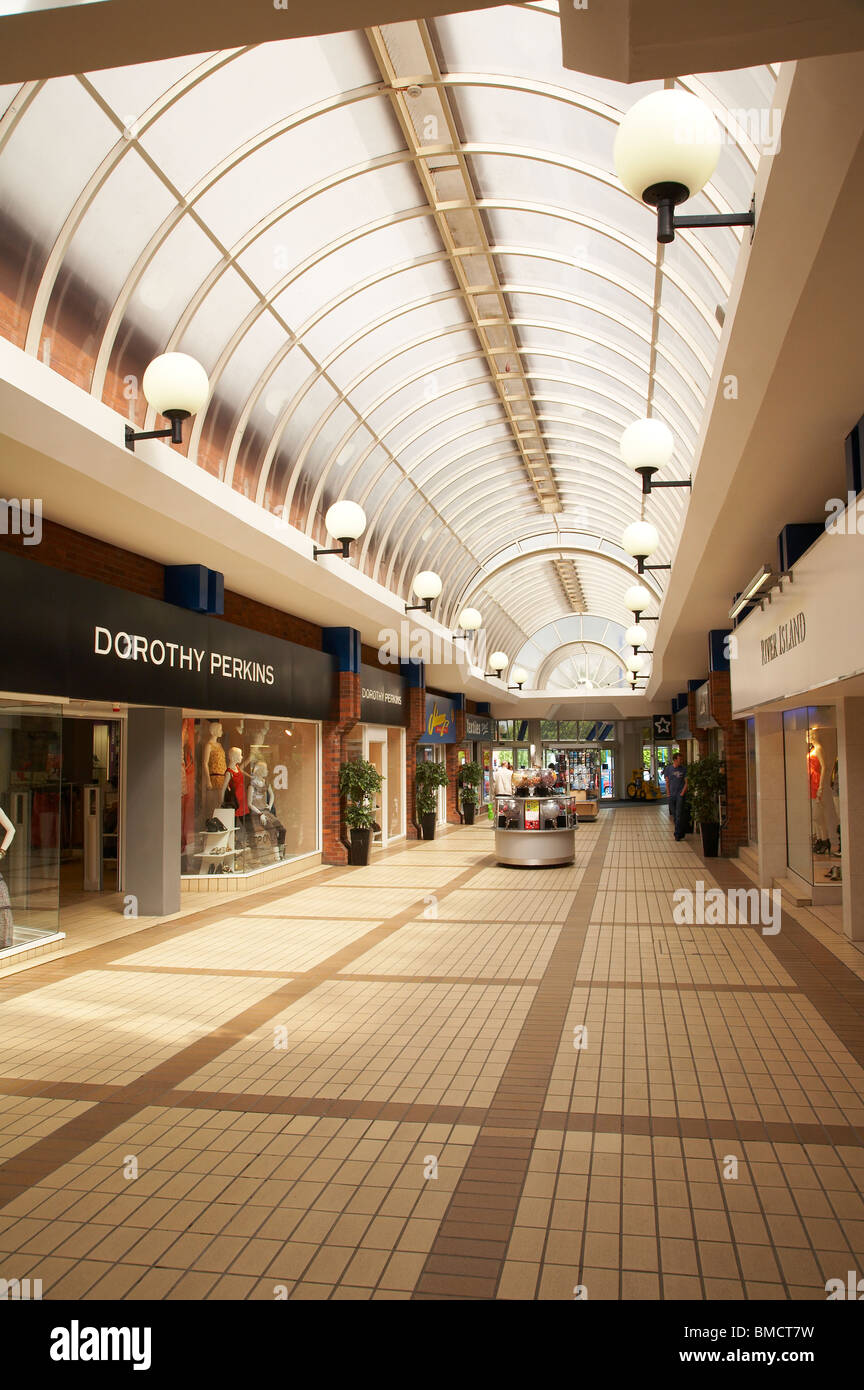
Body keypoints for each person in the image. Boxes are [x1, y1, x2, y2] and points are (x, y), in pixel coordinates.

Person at [663, 753, 688, 840]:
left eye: (681, 759)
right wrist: (668, 793)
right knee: (674, 814)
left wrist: (682, 793)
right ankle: (681, 831)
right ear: (675, 760)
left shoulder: (684, 769)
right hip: (671, 795)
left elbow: (686, 782)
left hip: (679, 795)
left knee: (678, 815)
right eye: (679, 759)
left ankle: (677, 834)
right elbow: (667, 782)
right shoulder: (668, 769)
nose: (681, 761)